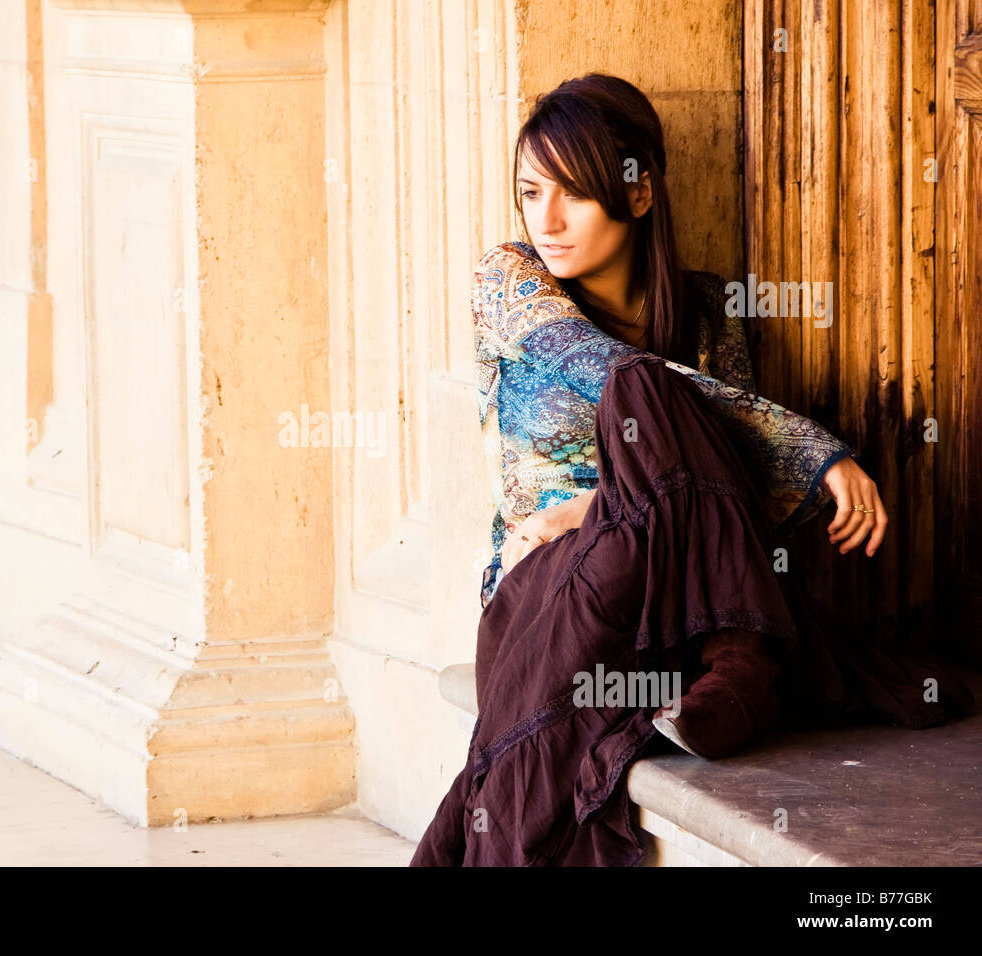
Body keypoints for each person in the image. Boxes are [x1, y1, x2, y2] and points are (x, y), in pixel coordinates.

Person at [410, 73, 975, 867]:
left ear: (638, 197)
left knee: (678, 414)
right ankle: (743, 661)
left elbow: (733, 487)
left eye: (576, 193)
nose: (549, 219)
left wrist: (593, 503)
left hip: (668, 596)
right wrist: (818, 454)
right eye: (532, 192)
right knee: (644, 385)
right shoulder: (509, 282)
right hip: (552, 592)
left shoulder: (708, 311)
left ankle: (733, 662)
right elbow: (614, 374)